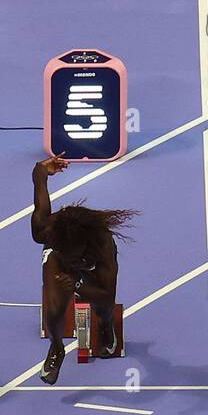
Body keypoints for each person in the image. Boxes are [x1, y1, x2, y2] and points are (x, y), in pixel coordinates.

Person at [31, 156, 137, 384]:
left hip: (93, 264)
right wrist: (42, 170)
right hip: (58, 257)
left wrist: (77, 285)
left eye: (74, 256)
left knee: (104, 304)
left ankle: (106, 326)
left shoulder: (103, 244)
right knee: (53, 305)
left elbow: (107, 293)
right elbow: (38, 181)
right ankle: (57, 347)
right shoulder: (47, 231)